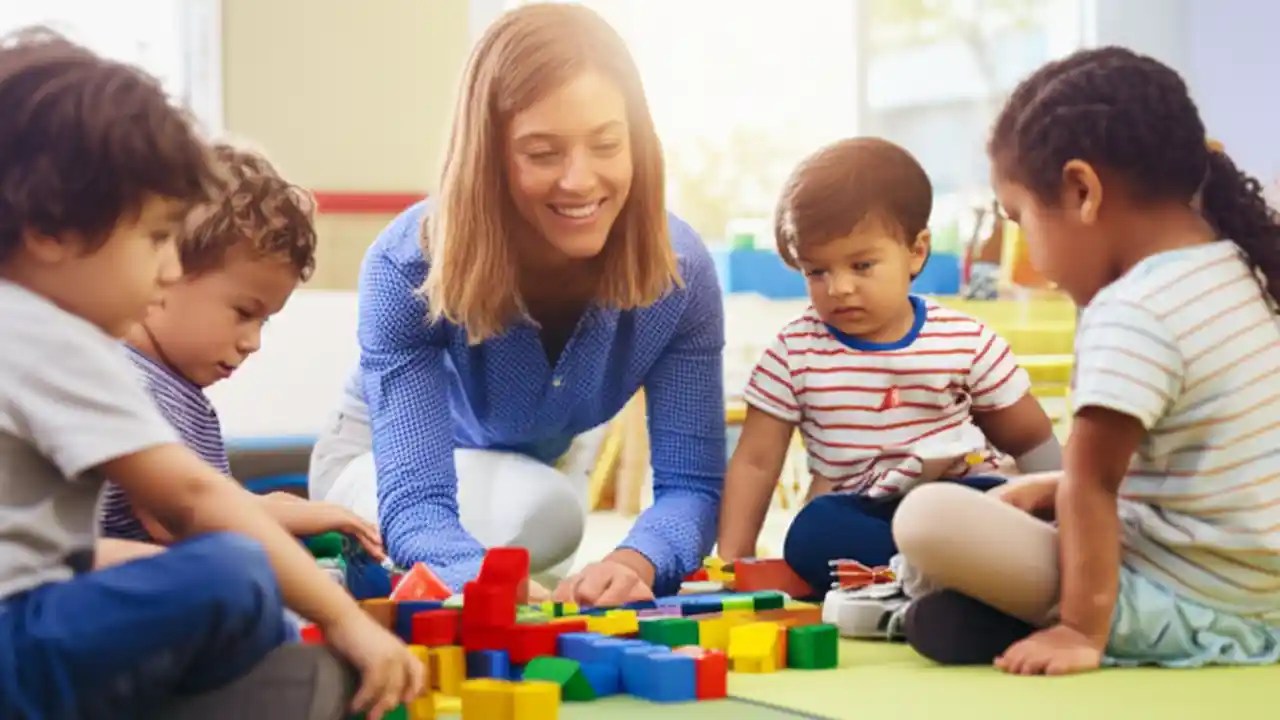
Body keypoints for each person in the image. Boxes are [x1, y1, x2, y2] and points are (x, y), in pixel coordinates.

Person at [0, 28, 422, 720]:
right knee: (236, 572)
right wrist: (341, 620)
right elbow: (193, 504)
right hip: (16, 653)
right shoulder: (54, 340)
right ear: (50, 230)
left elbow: (52, 557)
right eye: (155, 238)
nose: (168, 270)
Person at [308, 2, 725, 606]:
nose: (580, 181)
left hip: (537, 472)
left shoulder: (680, 273)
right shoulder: (407, 264)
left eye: (606, 143)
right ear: (490, 155)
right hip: (380, 463)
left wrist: (640, 560)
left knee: (545, 518)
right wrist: (481, 582)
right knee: (545, 513)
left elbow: (692, 483)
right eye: (542, 152)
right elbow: (417, 502)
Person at [893, 46, 1280, 674]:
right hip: (1261, 596)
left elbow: (1094, 486)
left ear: (1081, 191)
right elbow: (1202, 458)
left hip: (1179, 604)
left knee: (927, 521)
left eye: (1022, 221)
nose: (1037, 263)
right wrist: (1054, 487)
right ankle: (990, 618)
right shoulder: (1238, 266)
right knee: (1017, 499)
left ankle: (1054, 616)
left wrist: (1080, 631)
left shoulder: (1134, 311)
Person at [716, 137, 1061, 605]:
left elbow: (1030, 437)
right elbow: (756, 461)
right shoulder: (793, 353)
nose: (839, 287)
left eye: (862, 265)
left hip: (955, 500)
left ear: (916, 251)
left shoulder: (964, 340)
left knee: (1002, 501)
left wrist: (1067, 513)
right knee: (813, 531)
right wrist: (734, 559)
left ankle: (947, 575)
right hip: (862, 514)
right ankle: (944, 581)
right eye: (816, 272)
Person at [98, 141, 383, 561]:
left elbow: (214, 496)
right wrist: (301, 515)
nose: (252, 342)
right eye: (244, 313)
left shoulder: (170, 388)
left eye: (263, 321)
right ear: (166, 271)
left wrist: (282, 507)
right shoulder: (128, 384)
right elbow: (182, 516)